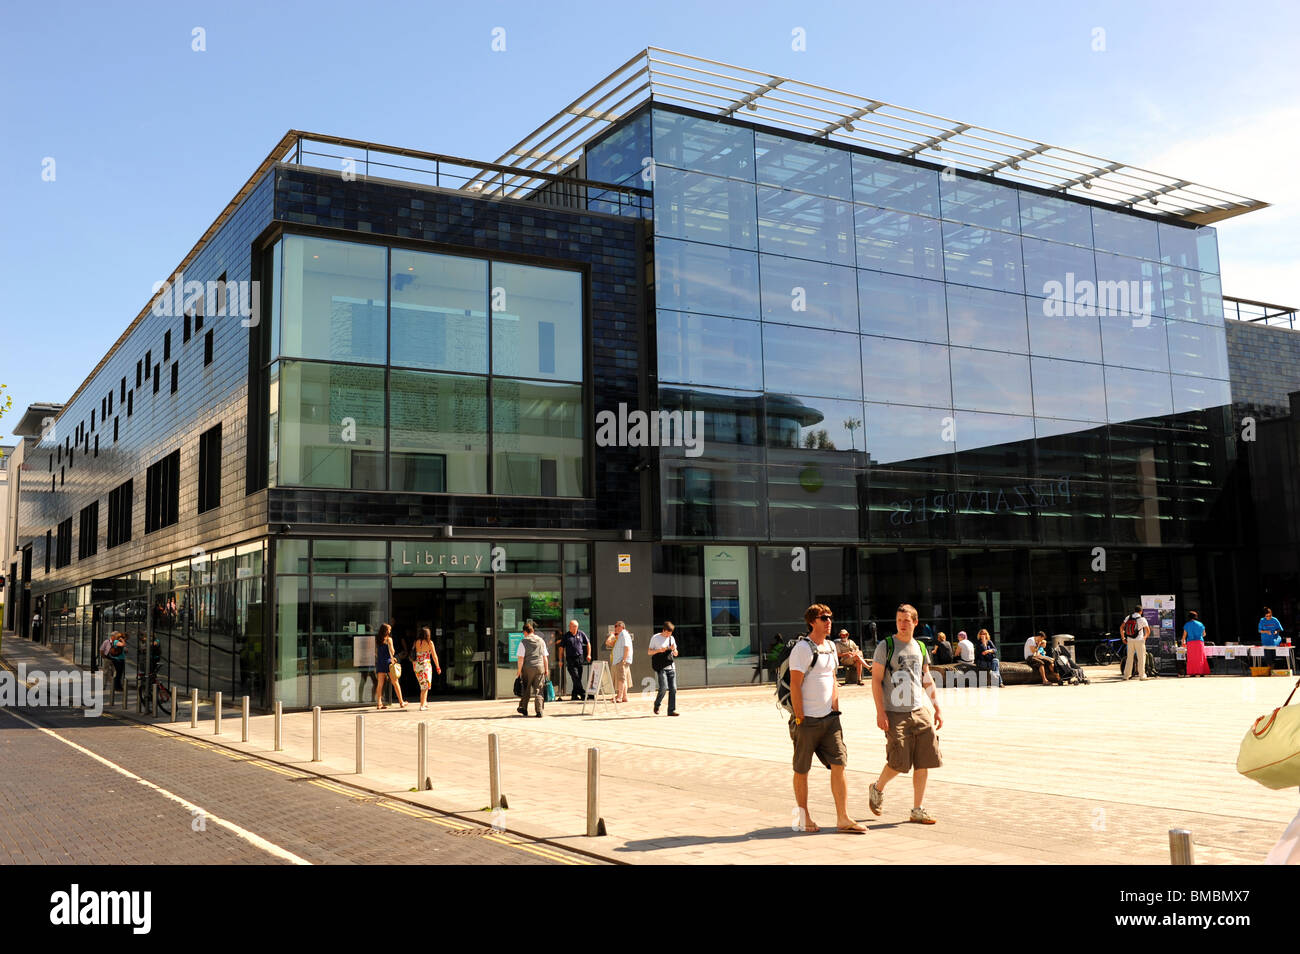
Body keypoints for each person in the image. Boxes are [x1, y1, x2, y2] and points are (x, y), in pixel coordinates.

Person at [789, 604, 865, 834]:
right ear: (812, 622)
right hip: (807, 720)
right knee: (802, 769)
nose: (829, 621)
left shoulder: (831, 646)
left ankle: (843, 818)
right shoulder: (802, 649)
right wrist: (800, 716)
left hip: (830, 719)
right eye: (824, 618)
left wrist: (835, 707)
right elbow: (795, 684)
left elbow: (832, 677)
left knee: (839, 763)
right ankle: (804, 817)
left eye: (830, 617)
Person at [869, 604, 943, 824]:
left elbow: (926, 678)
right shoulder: (886, 646)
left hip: (920, 710)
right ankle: (877, 788)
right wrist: (880, 712)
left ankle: (917, 809)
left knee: (924, 760)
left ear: (915, 622)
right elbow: (875, 680)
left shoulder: (920, 647)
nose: (902, 624)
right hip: (894, 712)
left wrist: (937, 707)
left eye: (906, 620)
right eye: (899, 620)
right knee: (898, 762)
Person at [516, 622, 549, 717]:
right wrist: (546, 669)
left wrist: (519, 671)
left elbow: (521, 658)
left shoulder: (523, 642)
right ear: (533, 631)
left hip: (528, 667)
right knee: (539, 689)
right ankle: (539, 711)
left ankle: (523, 708)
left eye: (523, 633)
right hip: (540, 667)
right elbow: (545, 657)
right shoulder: (541, 641)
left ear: (525, 632)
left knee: (526, 688)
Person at [648, 622, 680, 715]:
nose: (668, 635)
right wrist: (659, 650)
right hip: (661, 667)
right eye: (667, 633)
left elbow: (676, 653)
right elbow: (649, 652)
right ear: (663, 630)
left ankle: (671, 710)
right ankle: (657, 704)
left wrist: (674, 650)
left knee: (673, 689)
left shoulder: (671, 638)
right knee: (663, 687)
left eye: (670, 634)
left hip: (671, 667)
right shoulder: (655, 638)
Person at [374, 623, 406, 710]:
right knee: (395, 682)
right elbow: (392, 651)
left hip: (380, 662)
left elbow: (376, 652)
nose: (390, 631)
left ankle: (379, 703)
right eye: (389, 629)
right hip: (388, 662)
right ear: (386, 630)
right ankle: (401, 702)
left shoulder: (378, 639)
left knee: (380, 684)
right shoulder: (389, 639)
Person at [558, 620, 591, 701]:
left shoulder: (581, 634)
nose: (569, 627)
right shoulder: (566, 636)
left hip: (580, 658)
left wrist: (589, 654)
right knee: (575, 676)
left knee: (578, 678)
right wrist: (560, 660)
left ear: (576, 627)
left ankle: (574, 695)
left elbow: (588, 643)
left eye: (571, 626)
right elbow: (561, 648)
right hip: (570, 659)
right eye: (569, 626)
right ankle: (583, 694)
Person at [412, 626, 442, 710]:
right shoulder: (430, 643)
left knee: (423, 685)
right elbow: (434, 656)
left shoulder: (416, 642)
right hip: (425, 665)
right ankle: (422, 705)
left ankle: (425, 703)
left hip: (417, 665)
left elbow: (412, 654)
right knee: (425, 686)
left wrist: (414, 665)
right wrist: (438, 667)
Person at [1121, 606, 1150, 681]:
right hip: (1139, 640)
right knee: (1141, 658)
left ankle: (1126, 676)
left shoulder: (1128, 617)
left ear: (1134, 610)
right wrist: (1144, 638)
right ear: (1141, 611)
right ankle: (1142, 676)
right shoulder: (1142, 619)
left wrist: (1123, 638)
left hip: (1130, 640)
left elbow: (1121, 627)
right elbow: (1148, 631)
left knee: (1129, 658)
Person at [611, 620, 634, 703]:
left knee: (621, 679)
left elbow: (626, 647)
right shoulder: (622, 635)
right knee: (623, 679)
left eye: (616, 626)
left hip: (622, 660)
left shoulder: (624, 634)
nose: (615, 628)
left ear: (621, 627)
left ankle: (620, 697)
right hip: (621, 660)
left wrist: (624, 659)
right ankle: (624, 697)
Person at [1182, 610, 1210, 677]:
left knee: (1191, 658)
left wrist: (1183, 643)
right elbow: (1204, 634)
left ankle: (1192, 673)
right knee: (1200, 657)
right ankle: (1201, 672)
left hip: (1190, 643)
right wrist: (1199, 635)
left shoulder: (1187, 624)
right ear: (1196, 617)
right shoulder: (1200, 624)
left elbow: (1184, 636)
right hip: (1199, 642)